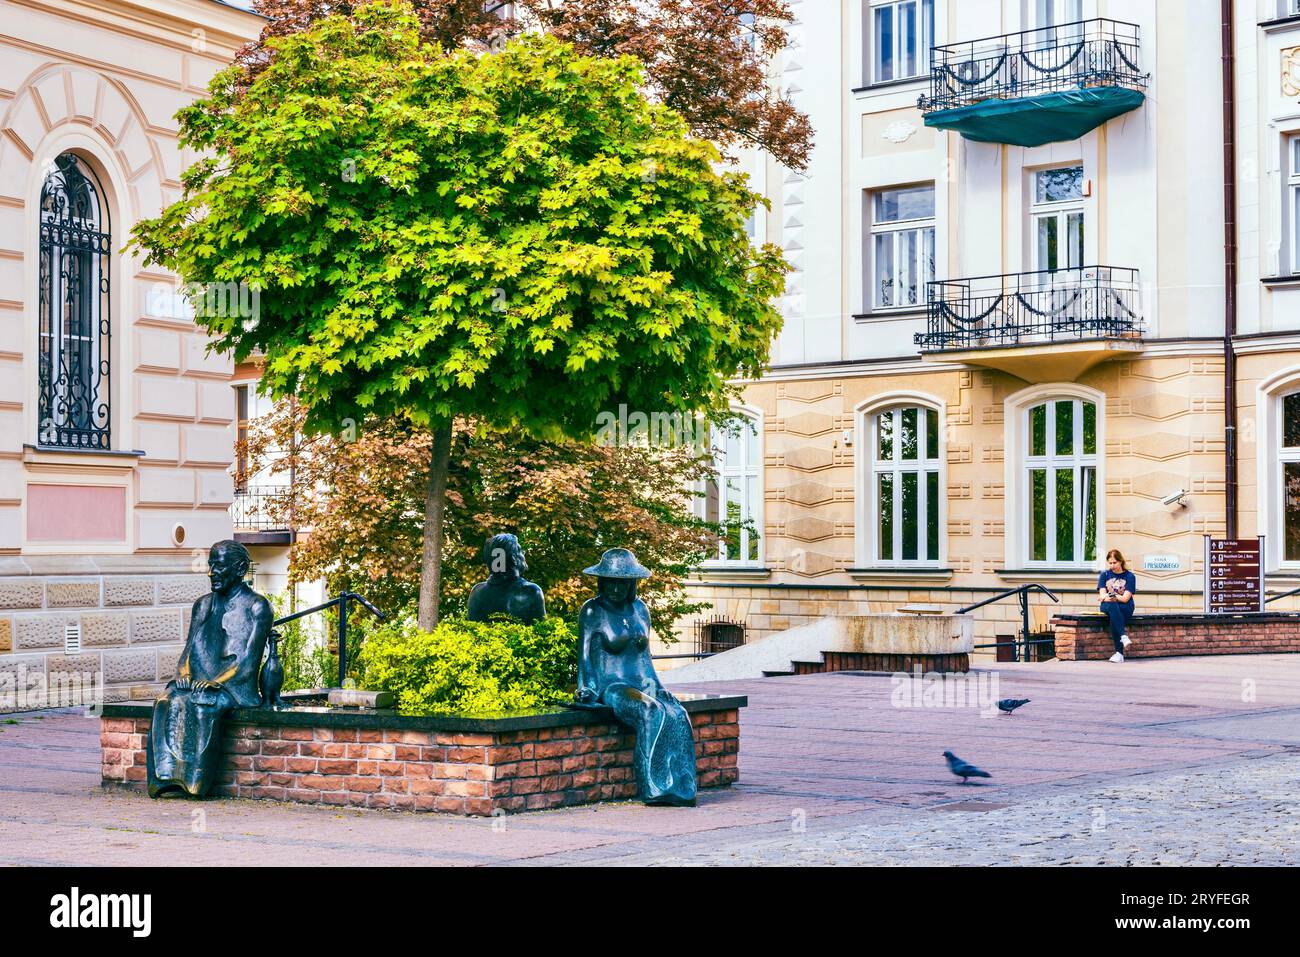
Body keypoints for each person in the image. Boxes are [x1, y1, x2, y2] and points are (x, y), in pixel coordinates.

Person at [147, 540, 272, 797]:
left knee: (204, 703)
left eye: (219, 566)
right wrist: (184, 674)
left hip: (235, 686)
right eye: (210, 564)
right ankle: (164, 776)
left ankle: (195, 782)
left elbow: (248, 661)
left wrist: (218, 682)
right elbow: (188, 651)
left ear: (239, 569)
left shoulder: (258, 607)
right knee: (166, 700)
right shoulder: (203, 605)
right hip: (200, 681)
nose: (211, 572)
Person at [575, 548, 696, 807]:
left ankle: (682, 785)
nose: (617, 589)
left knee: (677, 712)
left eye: (623, 583)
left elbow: (645, 658)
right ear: (602, 581)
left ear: (631, 584)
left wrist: (658, 686)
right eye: (611, 582)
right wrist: (586, 688)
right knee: (650, 711)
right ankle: (653, 786)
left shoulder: (640, 609)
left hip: (641, 681)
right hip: (612, 685)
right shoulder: (592, 611)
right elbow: (584, 657)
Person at [465, 533, 546, 625]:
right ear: (513, 559)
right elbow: (541, 632)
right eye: (520, 551)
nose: (523, 555)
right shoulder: (531, 591)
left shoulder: (477, 592)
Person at [1098, 548, 1137, 663]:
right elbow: (1102, 594)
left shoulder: (1130, 576)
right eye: (1110, 563)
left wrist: (1111, 596)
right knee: (1112, 605)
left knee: (1114, 615)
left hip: (1126, 607)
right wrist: (1107, 597)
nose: (1112, 565)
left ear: (1121, 561)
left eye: (1114, 562)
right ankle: (1123, 636)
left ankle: (1119, 654)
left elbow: (1125, 599)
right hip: (1107, 606)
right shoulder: (1104, 575)